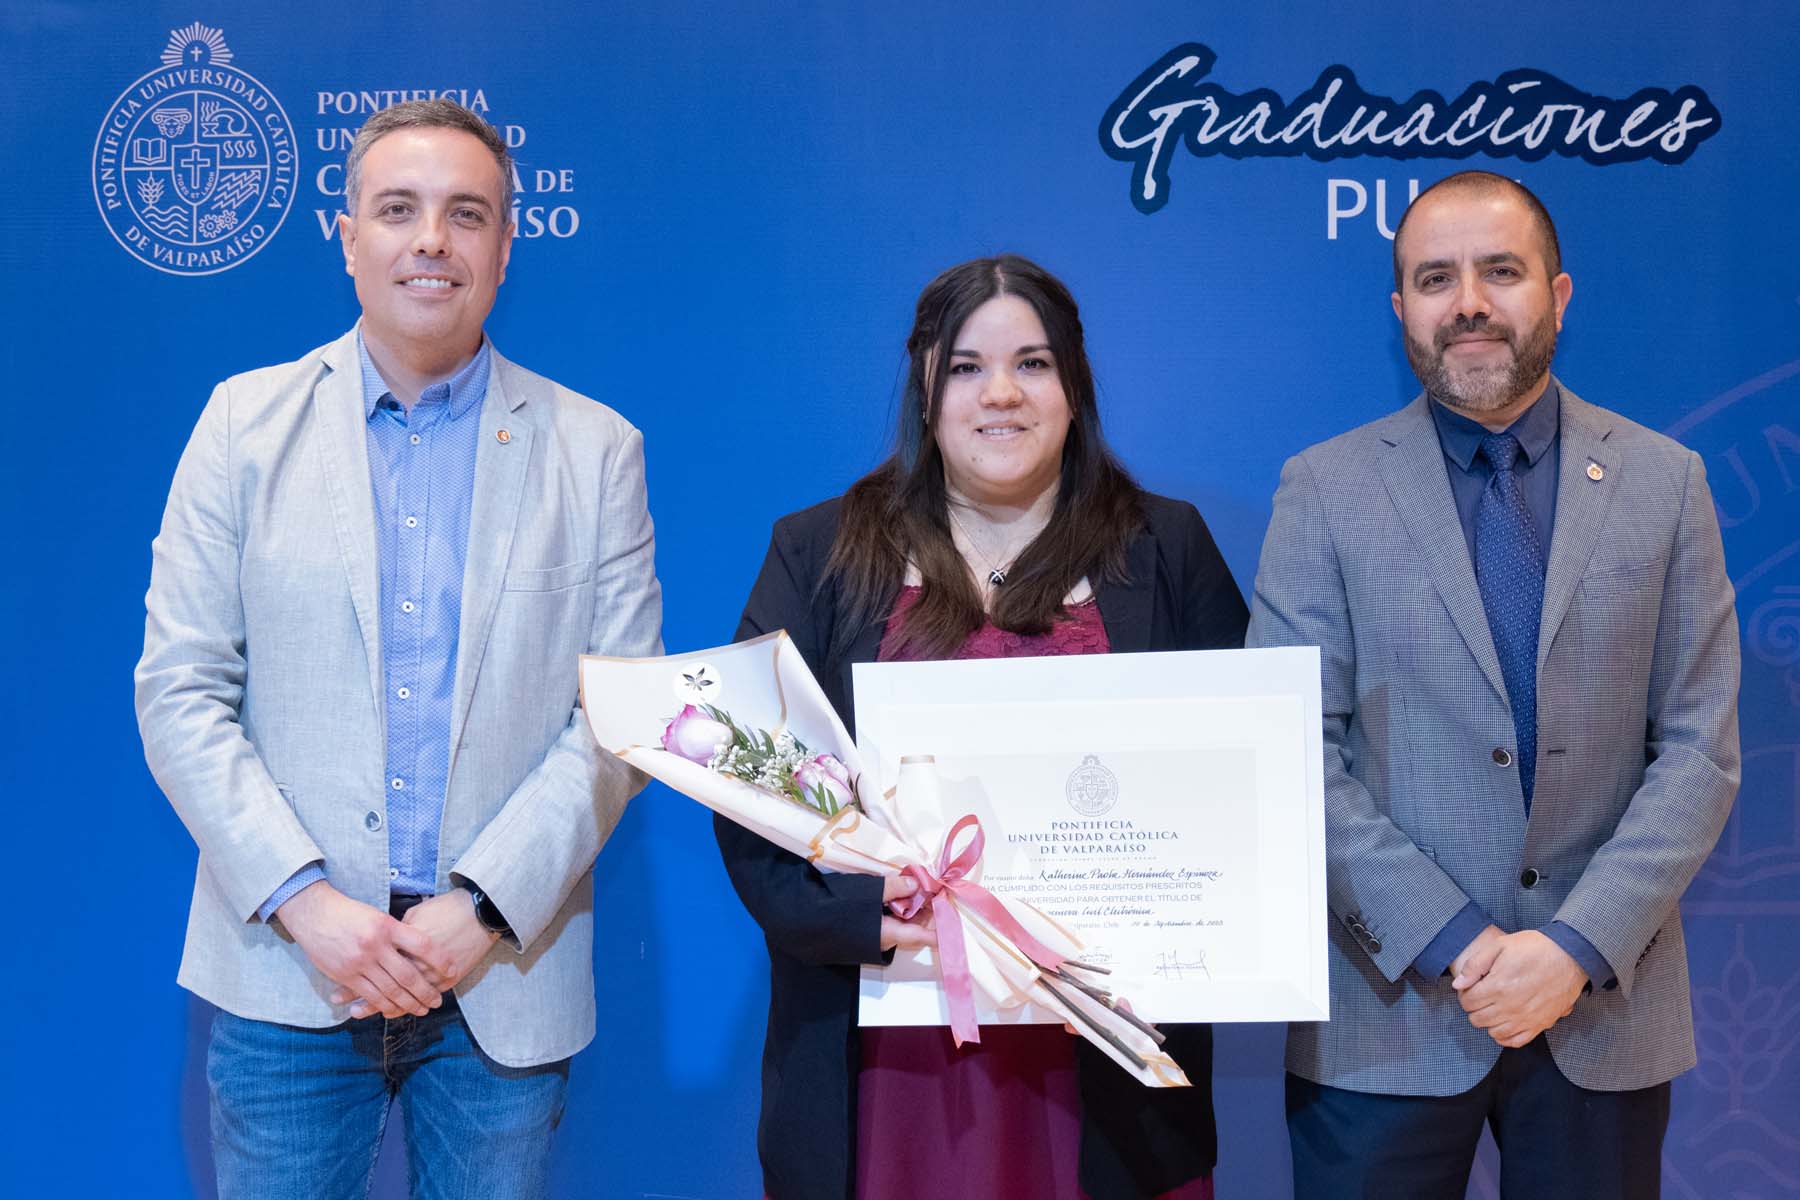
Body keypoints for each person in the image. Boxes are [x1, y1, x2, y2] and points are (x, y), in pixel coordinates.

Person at [133, 99, 662, 1200]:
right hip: (290, 975)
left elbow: (620, 720)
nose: (432, 240)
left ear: (507, 246)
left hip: (499, 982)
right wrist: (310, 906)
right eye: (399, 209)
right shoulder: (241, 426)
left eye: (466, 213)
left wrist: (478, 913)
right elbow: (182, 692)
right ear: (348, 236)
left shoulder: (597, 449)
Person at [1246, 170, 1740, 1197]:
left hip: (1602, 1011)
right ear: (1401, 312)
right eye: (1435, 278)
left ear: (1557, 296)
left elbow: (1699, 749)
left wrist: (1573, 946)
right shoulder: (1324, 491)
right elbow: (1291, 749)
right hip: (1387, 1021)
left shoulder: (1666, 482)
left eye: (1499, 271)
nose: (1467, 300)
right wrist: (1455, 940)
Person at [715, 254, 1248, 1200]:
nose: (1001, 394)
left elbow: (1243, 783)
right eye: (967, 367)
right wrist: (863, 919)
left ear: (1074, 387)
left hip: (1108, 1061)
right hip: (891, 1058)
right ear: (926, 386)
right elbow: (746, 791)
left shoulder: (1168, 549)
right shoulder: (818, 550)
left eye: (1033, 364)